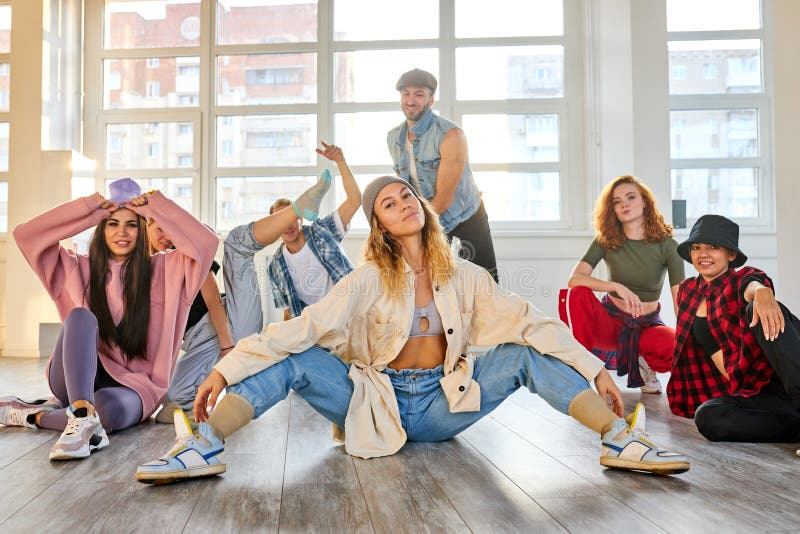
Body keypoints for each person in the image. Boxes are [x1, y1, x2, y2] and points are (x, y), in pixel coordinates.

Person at [136, 175, 690, 484]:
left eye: (405, 196)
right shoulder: (368, 279)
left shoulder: (467, 277)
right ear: (379, 225)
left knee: (523, 353)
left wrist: (595, 370)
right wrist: (224, 369)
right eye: (387, 204)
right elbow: (300, 330)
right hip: (371, 399)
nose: (401, 205)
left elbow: (532, 322)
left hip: (441, 405)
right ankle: (202, 446)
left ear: (420, 205)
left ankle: (621, 440)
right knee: (296, 357)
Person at [0, 179, 218, 460]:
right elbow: (26, 235)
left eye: (131, 224)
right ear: (101, 228)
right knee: (79, 316)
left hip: (135, 386)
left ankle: (36, 416)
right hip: (73, 377)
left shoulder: (170, 270)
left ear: (143, 229)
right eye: (112, 223)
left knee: (107, 412)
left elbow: (206, 243)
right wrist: (89, 211)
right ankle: (79, 412)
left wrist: (156, 206)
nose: (122, 232)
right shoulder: (76, 268)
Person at [151, 152, 346, 420]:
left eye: (167, 229)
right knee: (172, 400)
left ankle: (299, 207)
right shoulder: (146, 267)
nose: (164, 236)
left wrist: (228, 344)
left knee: (236, 244)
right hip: (198, 342)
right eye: (157, 229)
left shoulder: (182, 253)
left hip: (226, 324)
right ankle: (235, 390)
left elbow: (210, 297)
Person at [667, 214, 800, 445]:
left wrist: (761, 291)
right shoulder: (688, 292)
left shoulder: (741, 280)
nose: (703, 254)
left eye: (714, 247)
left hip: (789, 373)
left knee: (755, 311)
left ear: (731, 254)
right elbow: (721, 362)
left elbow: (750, 281)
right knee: (709, 417)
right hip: (761, 392)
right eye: (697, 247)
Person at [559, 175, 684, 394]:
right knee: (574, 294)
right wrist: (617, 287)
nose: (624, 203)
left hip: (646, 325)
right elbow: (575, 279)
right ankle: (581, 370)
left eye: (631, 197)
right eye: (617, 201)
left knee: (676, 347)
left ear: (644, 201)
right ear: (613, 209)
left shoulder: (668, 246)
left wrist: (694, 344)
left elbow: (680, 301)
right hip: (610, 324)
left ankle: (644, 360)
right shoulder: (605, 240)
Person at [387, 68, 498, 282]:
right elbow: (404, 190)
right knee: (435, 284)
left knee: (485, 283)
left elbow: (443, 200)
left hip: (466, 216)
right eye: (405, 94)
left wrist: (417, 229)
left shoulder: (451, 135)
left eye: (419, 94)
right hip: (427, 216)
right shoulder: (394, 138)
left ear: (431, 100)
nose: (411, 100)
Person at [268, 141, 361, 320]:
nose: (287, 225)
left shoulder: (322, 231)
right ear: (274, 227)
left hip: (347, 315)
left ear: (301, 218)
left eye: (291, 218)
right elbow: (289, 311)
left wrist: (340, 162)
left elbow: (355, 200)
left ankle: (308, 200)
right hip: (313, 326)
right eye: (280, 221)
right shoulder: (275, 266)